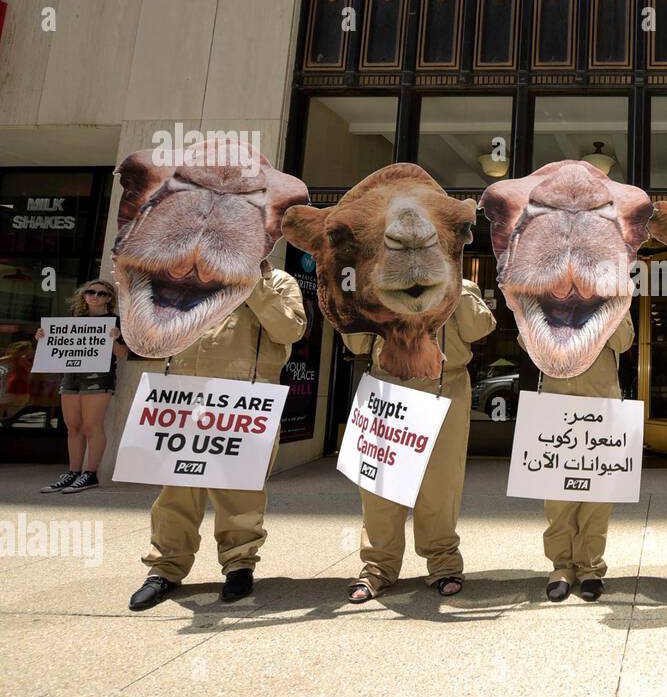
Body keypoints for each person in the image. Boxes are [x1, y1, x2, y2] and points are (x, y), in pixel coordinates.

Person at [128, 262, 305, 611]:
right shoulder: (185, 278)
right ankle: (165, 567)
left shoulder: (278, 281)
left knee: (241, 492)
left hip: (244, 402)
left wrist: (253, 284)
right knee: (176, 491)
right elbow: (149, 331)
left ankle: (239, 564)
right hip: (184, 396)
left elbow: (289, 330)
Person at [343, 279, 496, 602]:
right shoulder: (377, 283)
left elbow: (480, 328)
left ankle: (443, 565)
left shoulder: (461, 284)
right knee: (379, 490)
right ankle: (377, 568)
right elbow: (356, 344)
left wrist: (454, 285)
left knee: (440, 488)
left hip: (444, 391)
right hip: (387, 391)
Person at [540, 312, 635, 603]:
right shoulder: (546, 289)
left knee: (598, 495)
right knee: (558, 494)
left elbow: (624, 341)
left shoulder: (613, 294)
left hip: (601, 400)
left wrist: (605, 306)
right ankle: (562, 567)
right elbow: (527, 340)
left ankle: (590, 568)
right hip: (558, 396)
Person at [37, 279, 129, 495]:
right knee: (73, 426)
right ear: (84, 295)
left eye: (102, 293)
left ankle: (90, 474)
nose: (95, 296)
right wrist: (43, 337)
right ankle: (73, 472)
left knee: (91, 426)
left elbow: (123, 354)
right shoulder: (74, 321)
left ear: (109, 299)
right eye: (91, 292)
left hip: (98, 377)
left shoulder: (114, 321)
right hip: (71, 377)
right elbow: (56, 348)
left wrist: (113, 339)